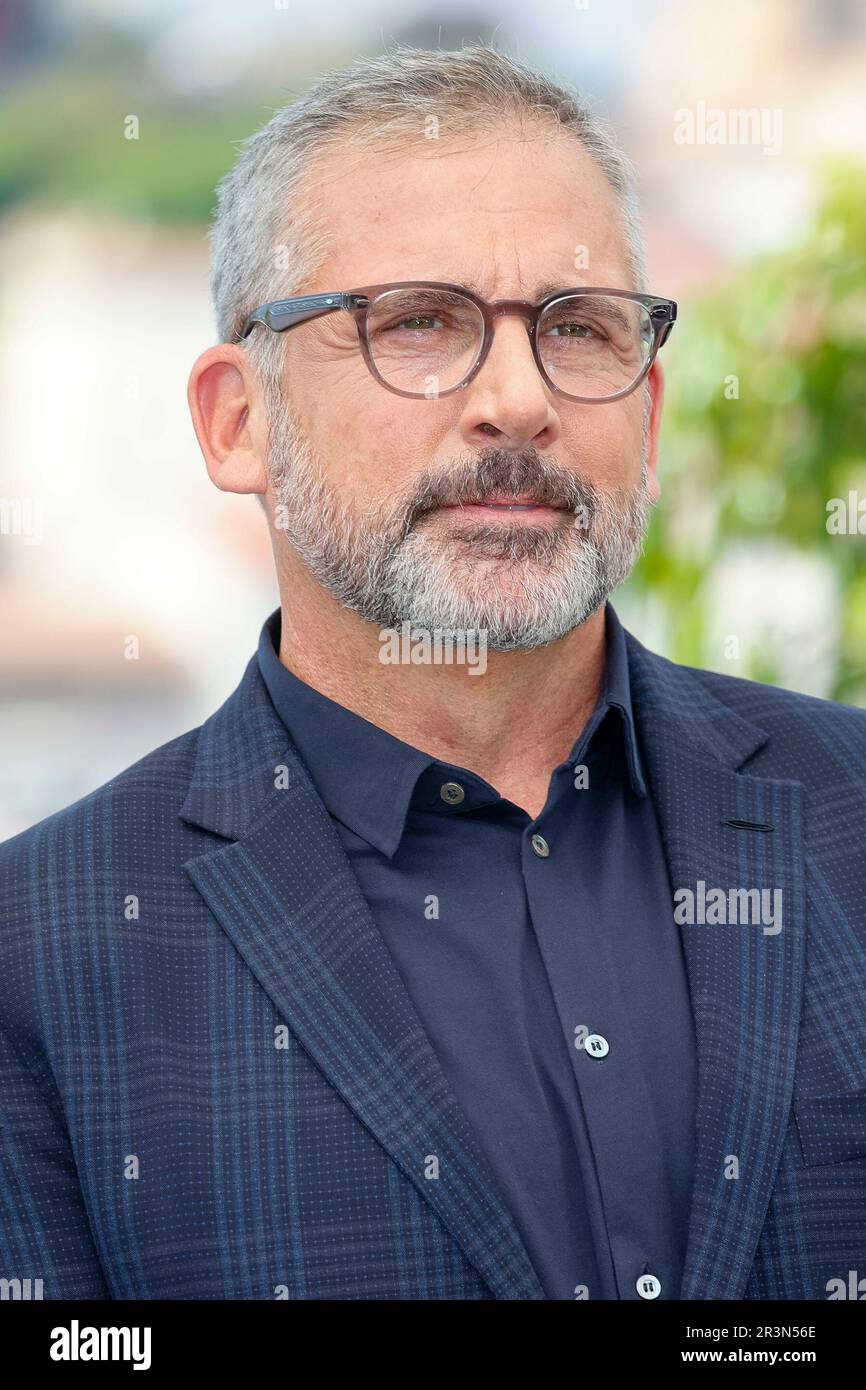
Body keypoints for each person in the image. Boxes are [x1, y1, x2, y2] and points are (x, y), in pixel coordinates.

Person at [1, 44, 864, 1302]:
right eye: (416, 321)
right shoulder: (36, 955)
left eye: (577, 329)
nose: (515, 400)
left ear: (654, 410)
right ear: (238, 422)